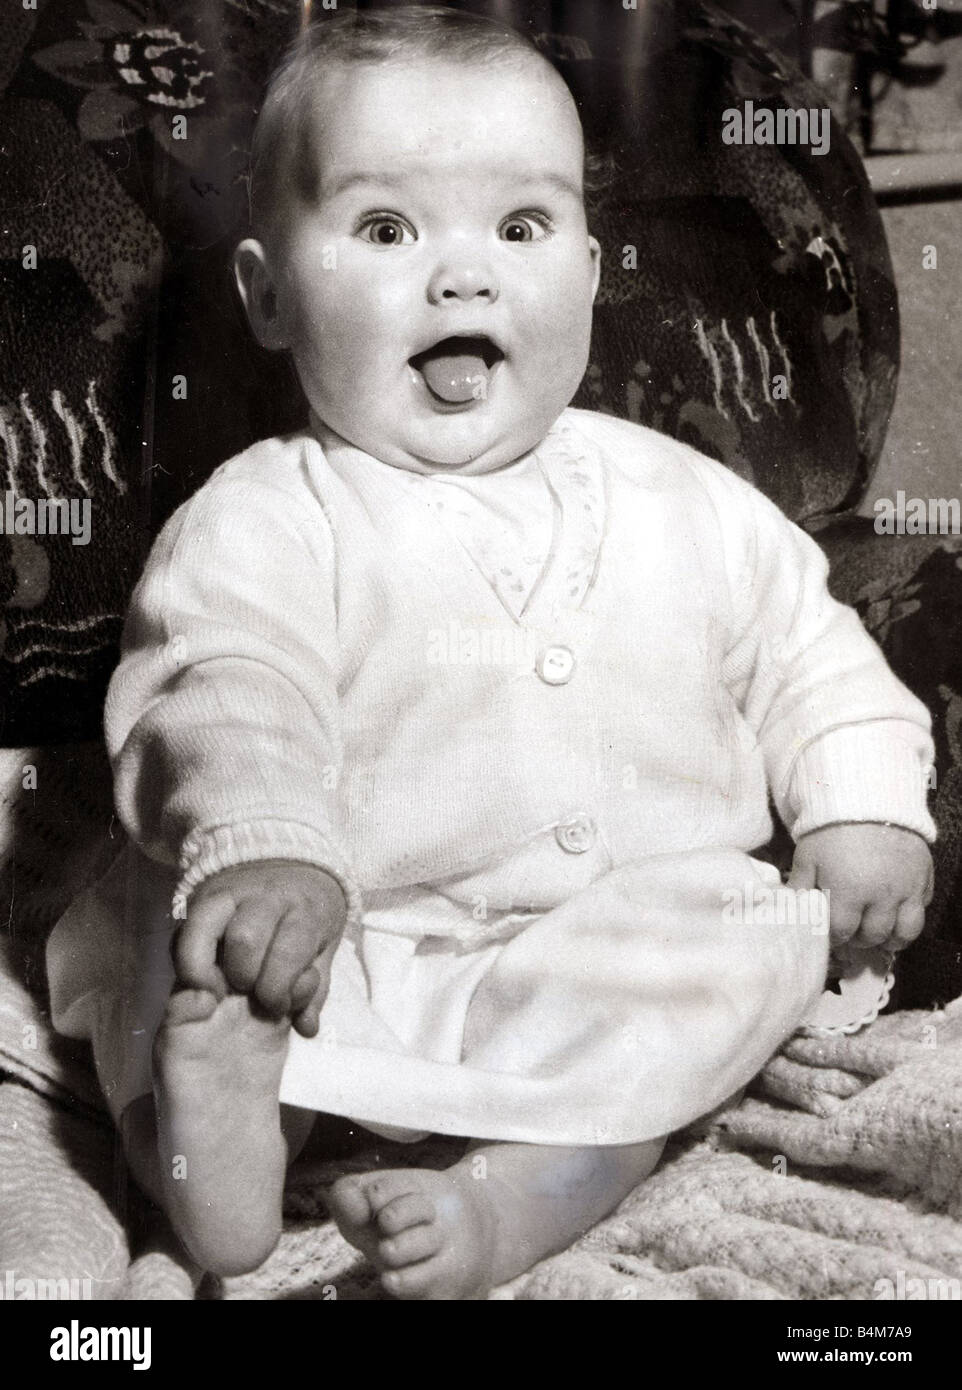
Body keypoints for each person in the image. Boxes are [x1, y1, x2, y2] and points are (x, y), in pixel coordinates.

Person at [47, 7, 935, 1299]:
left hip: (594, 949)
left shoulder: (680, 497)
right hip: (328, 939)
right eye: (387, 229)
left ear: (584, 267)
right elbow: (223, 690)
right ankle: (215, 1142)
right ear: (268, 295)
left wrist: (861, 808)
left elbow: (813, 649)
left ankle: (508, 1199)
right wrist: (266, 842)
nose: (461, 277)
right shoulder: (268, 516)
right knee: (160, 922)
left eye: (518, 229)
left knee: (737, 925)